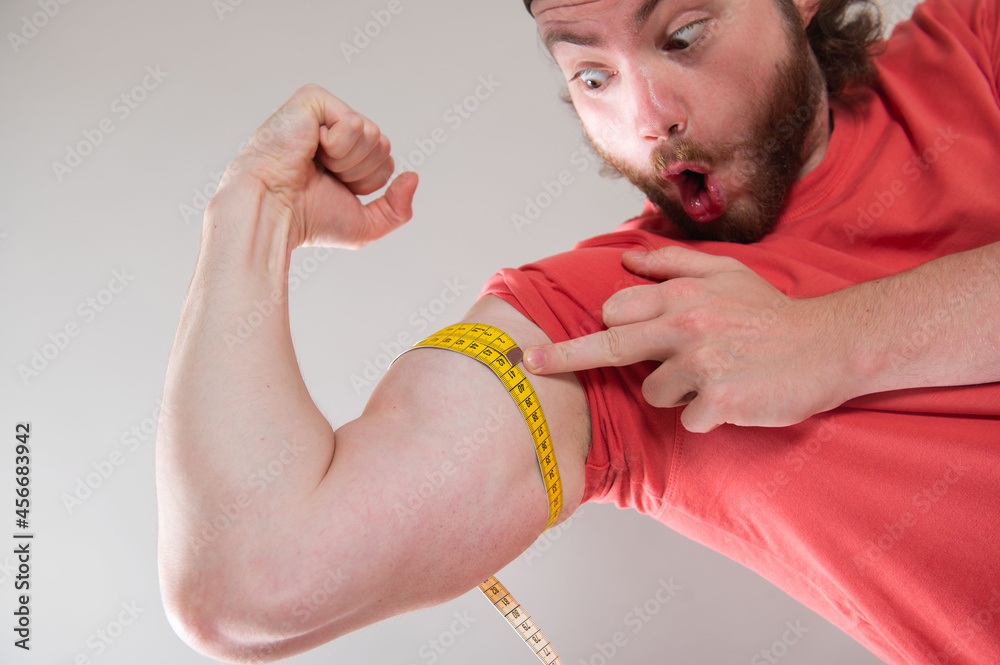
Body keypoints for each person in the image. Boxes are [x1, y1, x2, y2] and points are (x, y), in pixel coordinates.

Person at [155, 0, 1000, 664]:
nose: (650, 116)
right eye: (593, 76)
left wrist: (834, 340)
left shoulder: (978, 45)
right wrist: (249, 213)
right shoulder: (624, 320)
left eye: (683, 34)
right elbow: (252, 580)